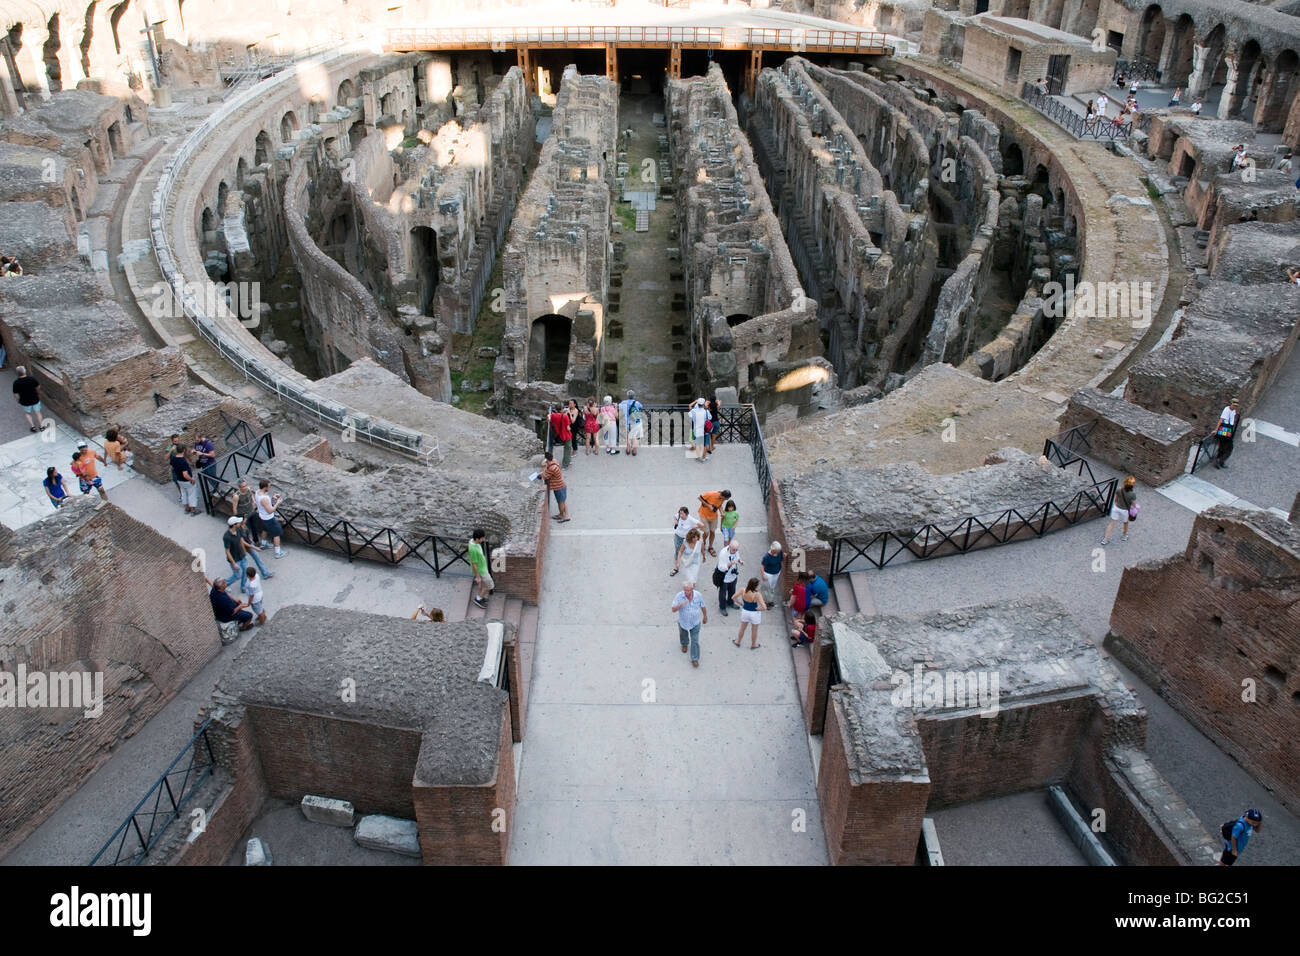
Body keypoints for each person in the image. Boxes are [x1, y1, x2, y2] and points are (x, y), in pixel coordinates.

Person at [671, 580, 708, 668]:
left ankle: (694, 658)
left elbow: (703, 606)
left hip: (695, 622)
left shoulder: (698, 595)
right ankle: (684, 644)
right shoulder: (679, 596)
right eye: (685, 590)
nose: (687, 592)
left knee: (695, 641)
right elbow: (673, 609)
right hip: (683, 621)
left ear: (692, 588)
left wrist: (705, 616)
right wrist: (680, 604)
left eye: (688, 590)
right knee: (683, 634)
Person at [1102, 475, 1138, 545]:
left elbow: (1115, 500)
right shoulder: (1132, 494)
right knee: (1125, 523)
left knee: (1111, 523)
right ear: (1132, 486)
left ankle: (1105, 539)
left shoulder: (1119, 489)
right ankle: (1124, 536)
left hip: (1116, 508)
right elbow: (1134, 505)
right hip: (1125, 511)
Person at [732, 577, 767, 649]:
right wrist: (758, 608)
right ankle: (753, 644)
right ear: (755, 586)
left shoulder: (742, 590)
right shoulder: (757, 594)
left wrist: (741, 604)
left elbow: (733, 597)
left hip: (745, 612)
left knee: (742, 628)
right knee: (754, 630)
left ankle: (738, 642)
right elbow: (764, 607)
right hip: (754, 614)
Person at [256, 478, 287, 555]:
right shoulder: (264, 498)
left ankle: (263, 544)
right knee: (277, 533)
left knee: (265, 529)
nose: (269, 488)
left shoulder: (257, 492)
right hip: (268, 518)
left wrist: (272, 497)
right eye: (269, 486)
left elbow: (264, 504)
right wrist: (277, 503)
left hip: (262, 516)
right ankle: (278, 552)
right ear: (265, 487)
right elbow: (270, 510)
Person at [224, 516, 254, 593]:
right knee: (238, 575)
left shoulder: (238, 530)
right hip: (235, 559)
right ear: (234, 525)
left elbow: (241, 541)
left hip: (242, 556)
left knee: (245, 572)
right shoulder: (227, 537)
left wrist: (244, 552)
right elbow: (227, 551)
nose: (240, 523)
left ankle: (243, 587)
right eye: (238, 522)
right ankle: (225, 583)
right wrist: (234, 563)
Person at [670, 506, 703, 576]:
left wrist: (693, 527)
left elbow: (701, 525)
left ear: (686, 514)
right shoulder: (679, 515)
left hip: (686, 539)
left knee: (686, 552)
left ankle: (689, 565)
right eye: (680, 513)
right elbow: (675, 517)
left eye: (682, 514)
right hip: (677, 536)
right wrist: (676, 521)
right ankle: (676, 567)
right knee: (677, 551)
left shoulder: (690, 519)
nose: (680, 515)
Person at [697, 488, 731, 556]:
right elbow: (699, 498)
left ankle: (710, 547)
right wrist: (708, 506)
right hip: (704, 515)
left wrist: (722, 512)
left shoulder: (722, 499)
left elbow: (720, 505)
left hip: (714, 516)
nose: (725, 500)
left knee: (712, 532)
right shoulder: (711, 494)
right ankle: (703, 543)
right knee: (706, 532)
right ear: (722, 496)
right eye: (725, 499)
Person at [229, 477, 263, 544]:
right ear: (239, 487)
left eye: (246, 485)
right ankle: (246, 542)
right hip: (243, 514)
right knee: (244, 529)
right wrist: (237, 519)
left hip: (251, 511)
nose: (245, 487)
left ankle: (256, 541)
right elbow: (234, 508)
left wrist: (253, 501)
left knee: (254, 527)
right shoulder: (236, 496)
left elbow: (251, 495)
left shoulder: (248, 489)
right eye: (243, 486)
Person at [714, 538, 742, 616]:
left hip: (733, 575)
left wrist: (740, 561)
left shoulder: (735, 551)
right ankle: (722, 607)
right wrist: (730, 563)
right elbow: (721, 568)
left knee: (732, 590)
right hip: (725, 577)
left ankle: (730, 602)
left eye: (736, 549)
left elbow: (737, 557)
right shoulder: (723, 553)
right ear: (729, 546)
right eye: (733, 550)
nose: (735, 551)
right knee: (723, 593)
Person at [12, 366, 43, 433]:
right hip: (35, 399)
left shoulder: (16, 383)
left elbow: (15, 394)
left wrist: (18, 400)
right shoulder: (32, 379)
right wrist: (38, 393)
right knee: (38, 413)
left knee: (27, 413)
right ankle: (41, 427)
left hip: (24, 401)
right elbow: (38, 387)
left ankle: (33, 427)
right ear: (24, 371)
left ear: (18, 373)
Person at [468, 528, 493, 609]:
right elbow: (474, 564)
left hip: (483, 568)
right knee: (490, 586)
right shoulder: (473, 549)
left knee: (483, 585)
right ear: (477, 539)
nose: (483, 539)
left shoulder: (472, 541)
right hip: (481, 570)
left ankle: (480, 597)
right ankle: (478, 599)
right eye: (482, 538)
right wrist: (478, 576)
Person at [171, 445, 200, 515]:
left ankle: (187, 509)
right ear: (184, 450)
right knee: (192, 494)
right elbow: (185, 474)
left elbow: (172, 467)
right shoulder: (183, 461)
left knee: (184, 494)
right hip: (186, 481)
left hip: (179, 479)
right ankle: (193, 510)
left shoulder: (173, 459)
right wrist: (191, 480)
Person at [542, 450, 569, 522]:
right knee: (562, 501)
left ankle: (562, 515)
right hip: (562, 485)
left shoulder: (552, 468)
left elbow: (545, 476)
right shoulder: (554, 461)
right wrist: (546, 464)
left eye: (546, 460)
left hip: (558, 487)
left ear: (547, 460)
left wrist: (544, 467)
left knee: (560, 502)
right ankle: (566, 515)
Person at [1214, 397, 1241, 469]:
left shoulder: (1233, 411)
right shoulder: (1226, 410)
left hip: (1229, 430)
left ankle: (1220, 461)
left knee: (1225, 447)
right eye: (1234, 405)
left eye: (1236, 406)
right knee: (1227, 447)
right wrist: (1216, 430)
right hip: (1224, 431)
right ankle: (1219, 461)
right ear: (1231, 404)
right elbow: (1221, 420)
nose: (1235, 407)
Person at [623, 390, 645, 455]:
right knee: (637, 436)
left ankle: (628, 448)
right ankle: (634, 450)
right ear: (634, 396)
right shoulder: (637, 403)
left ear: (627, 396)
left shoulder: (624, 402)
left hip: (628, 422)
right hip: (637, 421)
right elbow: (641, 407)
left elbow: (619, 406)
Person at [688, 398, 710, 462]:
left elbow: (690, 415)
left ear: (698, 404)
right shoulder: (706, 411)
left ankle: (698, 457)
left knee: (697, 444)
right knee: (705, 444)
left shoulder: (694, 411)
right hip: (704, 430)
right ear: (703, 404)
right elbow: (710, 418)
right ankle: (703, 457)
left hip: (696, 430)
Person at [166, 434, 185, 503]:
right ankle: (182, 495)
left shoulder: (181, 445)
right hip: (174, 469)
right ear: (172, 441)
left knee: (185, 481)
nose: (177, 442)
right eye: (175, 441)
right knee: (177, 482)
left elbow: (185, 454)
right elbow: (166, 458)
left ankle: (187, 494)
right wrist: (171, 450)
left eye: (178, 440)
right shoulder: (169, 447)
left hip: (182, 467)